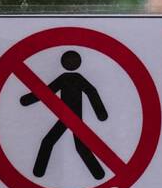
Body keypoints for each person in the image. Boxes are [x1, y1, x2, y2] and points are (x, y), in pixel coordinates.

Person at [21, 50, 108, 179]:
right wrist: (101, 114)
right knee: (75, 145)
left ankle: (99, 174)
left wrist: (101, 114)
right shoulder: (69, 78)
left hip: (72, 119)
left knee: (51, 142)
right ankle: (99, 174)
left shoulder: (71, 78)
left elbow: (47, 92)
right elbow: (47, 92)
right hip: (68, 118)